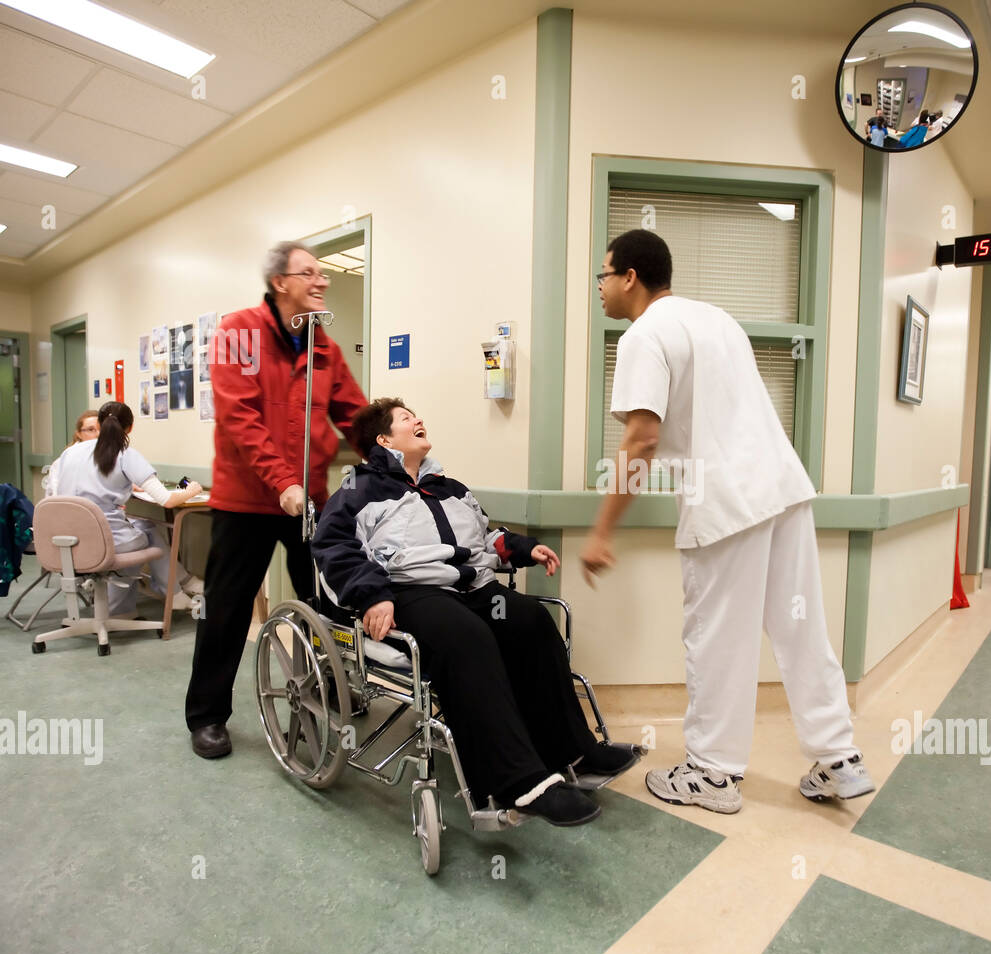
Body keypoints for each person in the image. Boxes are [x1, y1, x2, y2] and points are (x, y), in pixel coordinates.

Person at [580, 229, 874, 814]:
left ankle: (713, 774)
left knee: (718, 639)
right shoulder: (716, 319)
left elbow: (641, 441)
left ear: (630, 277)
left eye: (603, 276)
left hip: (726, 505)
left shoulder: (644, 334)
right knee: (801, 629)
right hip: (783, 489)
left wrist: (602, 530)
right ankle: (838, 760)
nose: (601, 289)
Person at [313, 399, 637, 826]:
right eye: (407, 418)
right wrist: (373, 595)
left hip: (473, 589)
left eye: (417, 414)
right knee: (466, 635)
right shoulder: (358, 491)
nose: (419, 419)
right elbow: (333, 547)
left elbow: (486, 537)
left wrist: (522, 548)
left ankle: (576, 752)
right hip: (410, 593)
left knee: (531, 621)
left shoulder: (450, 488)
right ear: (384, 439)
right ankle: (518, 783)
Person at [184, 241, 369, 760]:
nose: (322, 281)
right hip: (247, 500)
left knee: (328, 598)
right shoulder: (237, 332)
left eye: (324, 273)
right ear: (280, 283)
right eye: (309, 273)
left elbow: (353, 413)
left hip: (308, 498)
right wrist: (281, 480)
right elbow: (240, 418)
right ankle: (207, 716)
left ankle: (329, 685)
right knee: (227, 608)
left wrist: (389, 457)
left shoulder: (322, 344)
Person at [53, 402, 203, 618]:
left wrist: (123, 484)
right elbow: (167, 501)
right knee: (149, 532)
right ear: (130, 428)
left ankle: (129, 607)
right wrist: (192, 489)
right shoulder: (125, 454)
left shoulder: (71, 453)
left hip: (67, 540)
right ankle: (175, 591)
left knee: (142, 526)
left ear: (101, 424)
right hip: (103, 542)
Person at [42, 410, 99, 497]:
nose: (98, 434)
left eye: (102, 429)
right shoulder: (63, 462)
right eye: (91, 430)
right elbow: (56, 496)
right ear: (79, 434)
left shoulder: (113, 457)